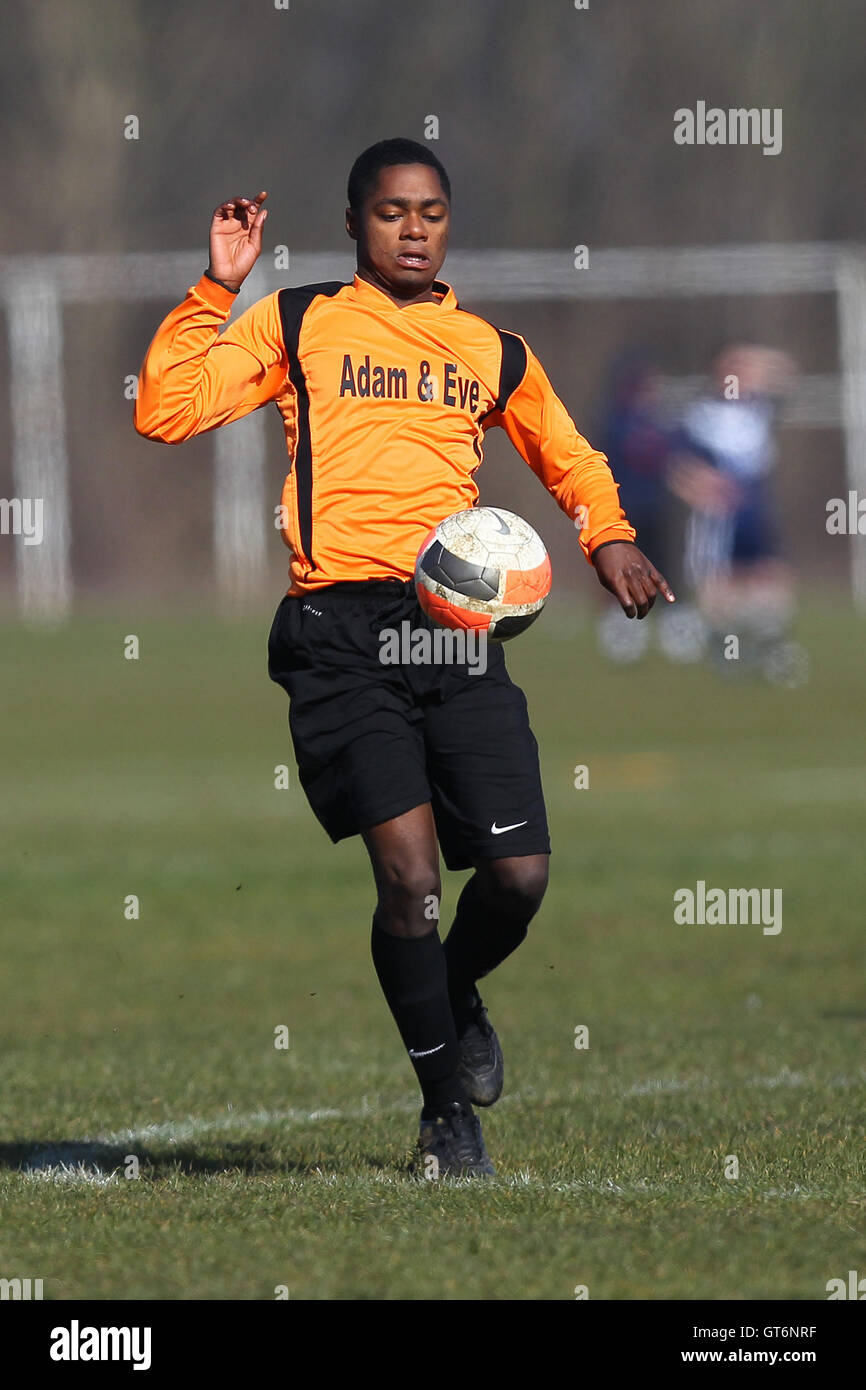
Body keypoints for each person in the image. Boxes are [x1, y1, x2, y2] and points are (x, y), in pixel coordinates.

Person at [134, 138, 674, 1178]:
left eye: (429, 211)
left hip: (453, 630)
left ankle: (452, 987)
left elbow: (566, 452)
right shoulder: (299, 321)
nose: (412, 228)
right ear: (352, 225)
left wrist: (603, 532)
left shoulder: (489, 348)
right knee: (412, 881)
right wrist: (216, 287)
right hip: (337, 634)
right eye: (390, 212)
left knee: (516, 875)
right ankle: (442, 1115)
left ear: (447, 221)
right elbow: (164, 409)